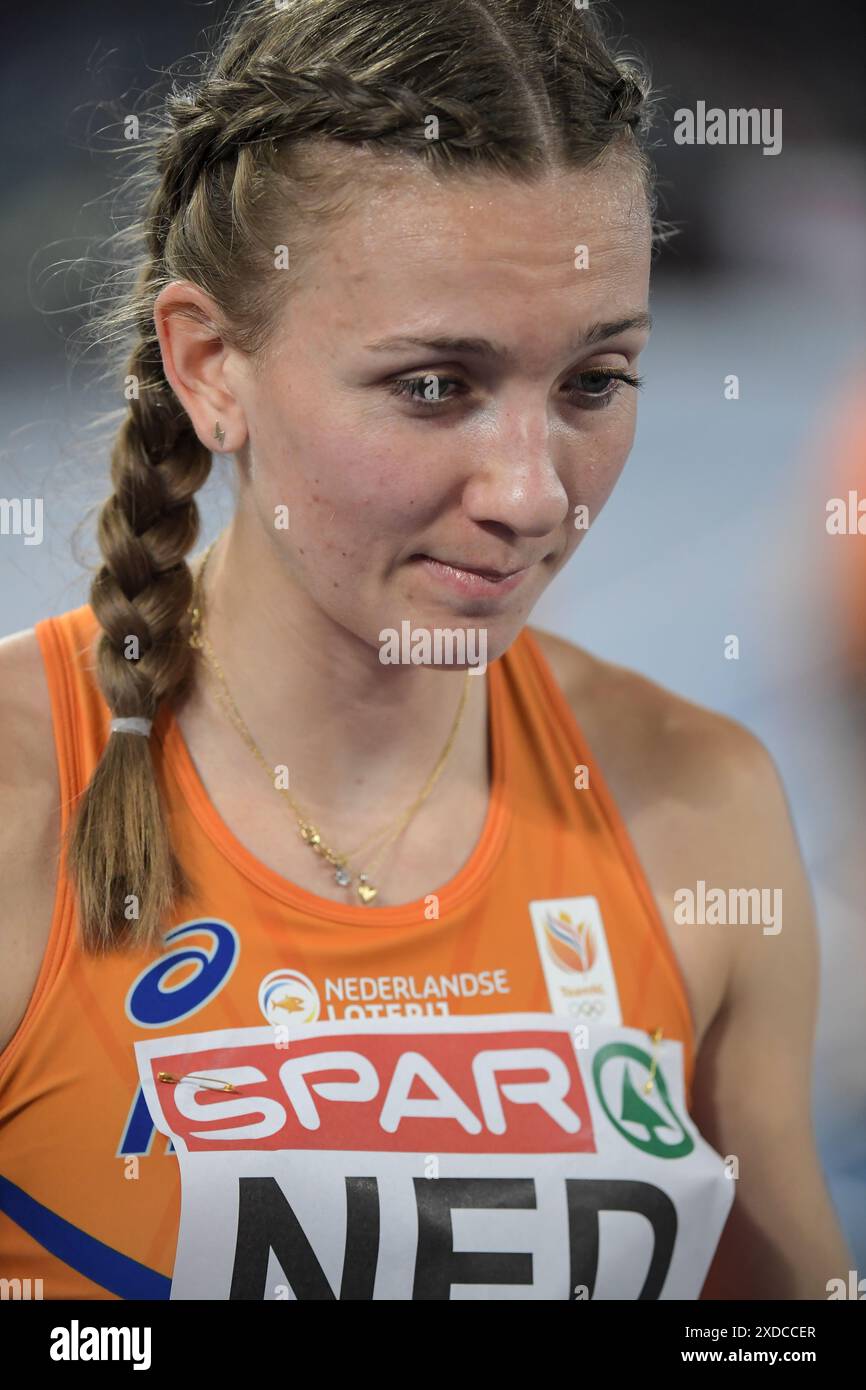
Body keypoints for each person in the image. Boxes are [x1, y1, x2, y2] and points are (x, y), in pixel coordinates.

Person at [0, 0, 852, 1300]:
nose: (528, 491)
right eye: (433, 385)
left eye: (592, 381)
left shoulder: (696, 806)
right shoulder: (21, 796)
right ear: (210, 365)